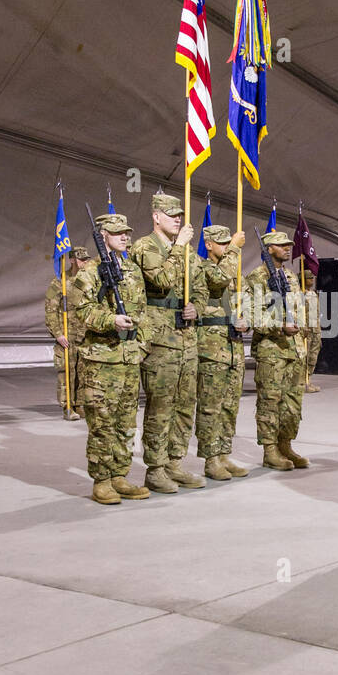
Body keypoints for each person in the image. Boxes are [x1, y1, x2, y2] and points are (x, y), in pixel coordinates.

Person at [129, 192, 207, 493]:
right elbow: (160, 281)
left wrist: (196, 307)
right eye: (171, 214)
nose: (178, 219)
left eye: (180, 214)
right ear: (155, 217)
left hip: (186, 338)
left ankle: (175, 462)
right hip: (160, 341)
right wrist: (179, 248)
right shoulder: (145, 247)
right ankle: (156, 468)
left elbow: (199, 286)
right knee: (160, 406)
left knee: (186, 405)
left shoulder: (186, 253)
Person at [71, 216, 149, 505]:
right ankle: (101, 480)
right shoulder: (89, 272)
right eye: (117, 234)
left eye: (126, 233)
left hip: (129, 359)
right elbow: (82, 310)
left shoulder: (132, 269)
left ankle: (119, 474)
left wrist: (142, 346)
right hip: (101, 360)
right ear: (103, 235)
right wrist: (110, 319)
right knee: (102, 423)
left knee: (126, 423)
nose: (124, 238)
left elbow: (143, 310)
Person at [242, 229, 309, 470]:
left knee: (292, 403)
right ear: (269, 249)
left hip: (295, 350)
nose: (287, 248)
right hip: (272, 351)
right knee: (270, 402)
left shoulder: (291, 276)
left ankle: (285, 445)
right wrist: (279, 327)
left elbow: (300, 310)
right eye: (281, 245)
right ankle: (269, 450)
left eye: (288, 244)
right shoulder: (256, 278)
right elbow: (251, 316)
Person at [196, 224, 249, 480]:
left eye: (230, 243)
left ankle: (225, 453)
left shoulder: (234, 271)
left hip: (233, 346)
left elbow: (247, 301)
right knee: (210, 406)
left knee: (230, 406)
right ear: (208, 244)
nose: (228, 247)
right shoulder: (203, 268)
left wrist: (247, 318)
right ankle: (211, 458)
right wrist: (236, 250)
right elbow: (218, 281)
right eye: (223, 243)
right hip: (211, 347)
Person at [44, 247, 92, 420]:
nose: (85, 262)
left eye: (87, 259)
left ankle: (80, 405)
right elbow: (50, 310)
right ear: (72, 260)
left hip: (85, 334)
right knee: (67, 372)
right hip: (67, 335)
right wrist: (57, 333)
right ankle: (67, 406)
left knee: (84, 372)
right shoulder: (59, 282)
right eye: (82, 260)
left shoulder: (90, 281)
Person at [303, 272, 322, 392]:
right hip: (306, 331)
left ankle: (308, 380)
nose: (312, 280)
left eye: (312, 278)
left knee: (313, 357)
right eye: (309, 278)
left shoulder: (313, 294)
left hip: (315, 330)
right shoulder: (299, 294)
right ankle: (302, 382)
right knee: (304, 357)